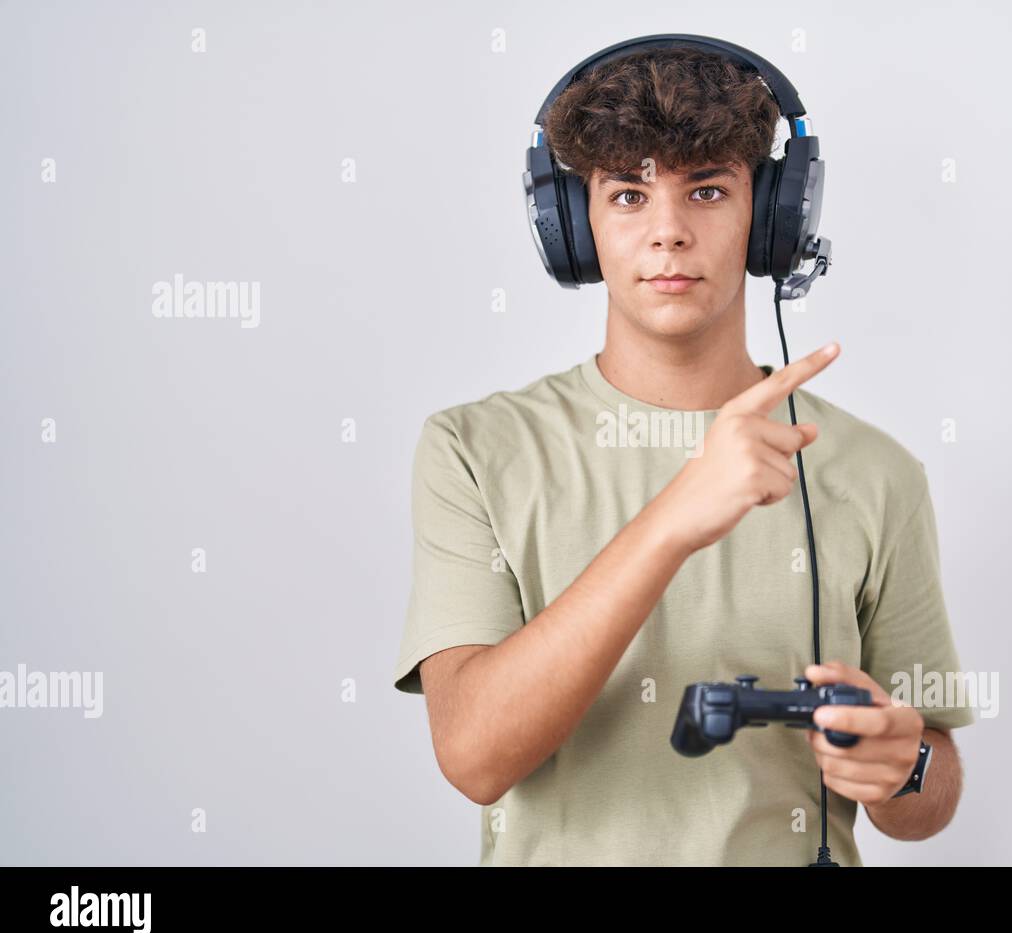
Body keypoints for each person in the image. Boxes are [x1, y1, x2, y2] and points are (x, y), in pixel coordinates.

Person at [393, 44, 975, 866]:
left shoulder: (876, 472)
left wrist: (905, 763)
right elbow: (475, 758)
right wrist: (677, 514)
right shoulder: (473, 451)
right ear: (575, 228)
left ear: (770, 219)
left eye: (706, 190)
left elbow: (933, 791)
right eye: (628, 194)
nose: (668, 232)